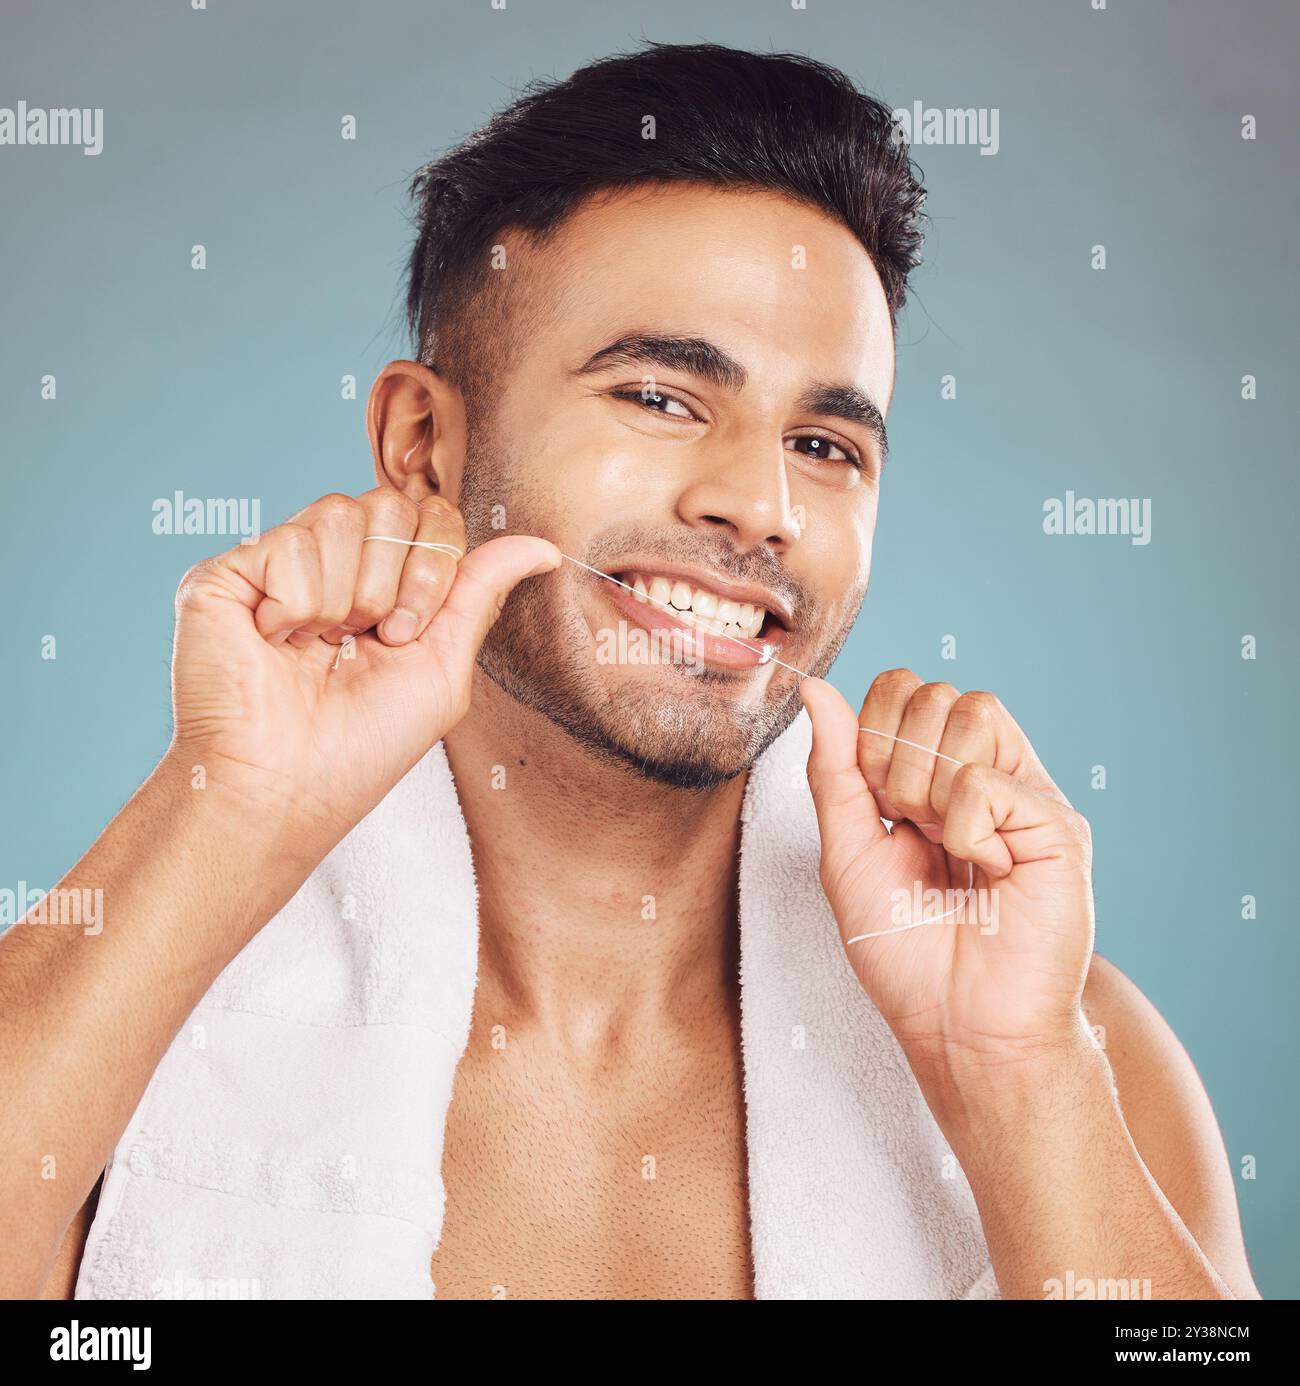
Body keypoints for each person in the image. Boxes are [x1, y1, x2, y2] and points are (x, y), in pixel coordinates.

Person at [0, 41, 1258, 1300]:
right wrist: (226, 810)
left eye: (825, 443)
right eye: (659, 397)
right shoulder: (133, 1031)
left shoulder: (1070, 1053)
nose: (760, 505)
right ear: (423, 444)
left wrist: (1016, 1078)